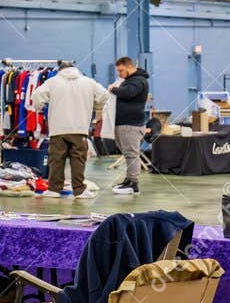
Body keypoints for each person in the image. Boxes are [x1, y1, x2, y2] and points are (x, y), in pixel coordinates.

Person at [29, 62, 108, 199]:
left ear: (60, 70)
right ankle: (79, 190)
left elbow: (36, 96)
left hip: (57, 129)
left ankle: (54, 189)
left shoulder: (52, 82)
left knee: (56, 160)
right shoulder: (88, 82)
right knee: (78, 160)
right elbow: (104, 95)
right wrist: (95, 105)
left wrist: (40, 107)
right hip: (80, 128)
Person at [107, 57, 150, 196]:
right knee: (127, 153)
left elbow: (128, 93)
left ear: (130, 67)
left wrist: (113, 89)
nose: (119, 74)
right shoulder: (129, 80)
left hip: (131, 125)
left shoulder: (138, 81)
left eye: (121, 70)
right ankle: (129, 179)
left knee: (131, 154)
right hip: (123, 124)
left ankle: (134, 184)